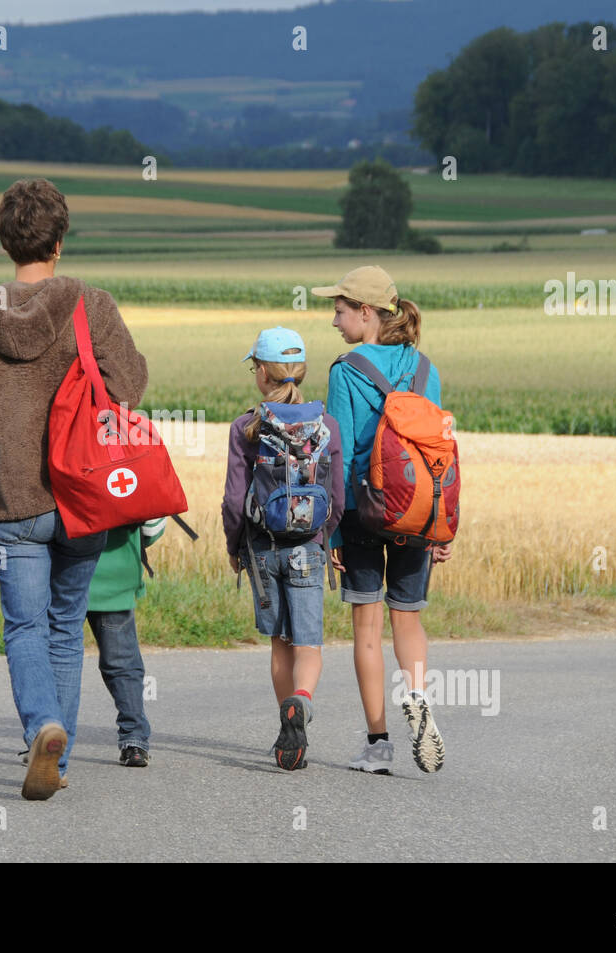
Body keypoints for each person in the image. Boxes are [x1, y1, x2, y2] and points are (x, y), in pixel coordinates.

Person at [0, 178, 148, 800]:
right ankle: (57, 755)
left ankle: (43, 726)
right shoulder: (92, 306)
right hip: (85, 499)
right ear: (60, 242)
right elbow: (132, 383)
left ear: (5, 241)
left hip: (14, 503)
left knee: (24, 628)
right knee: (67, 623)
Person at [314, 265, 453, 776]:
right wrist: (443, 524)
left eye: (340, 310)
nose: (334, 321)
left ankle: (377, 744)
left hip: (364, 512)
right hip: (419, 509)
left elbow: (339, 454)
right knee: (409, 618)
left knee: (367, 629)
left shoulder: (346, 370)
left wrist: (331, 528)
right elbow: (437, 453)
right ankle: (416, 694)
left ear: (366, 313)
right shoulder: (424, 369)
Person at [222, 327, 343, 771]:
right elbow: (339, 494)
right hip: (309, 546)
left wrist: (234, 547)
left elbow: (235, 499)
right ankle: (302, 704)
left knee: (280, 643)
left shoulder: (246, 426)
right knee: (309, 644)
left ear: (262, 374)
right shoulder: (325, 424)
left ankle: (284, 727)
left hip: (262, 547)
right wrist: (329, 535)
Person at [85, 518, 166, 767]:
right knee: (122, 662)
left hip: (64, 573)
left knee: (58, 657)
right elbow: (152, 529)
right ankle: (135, 741)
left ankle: (46, 738)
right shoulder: (135, 474)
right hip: (116, 574)